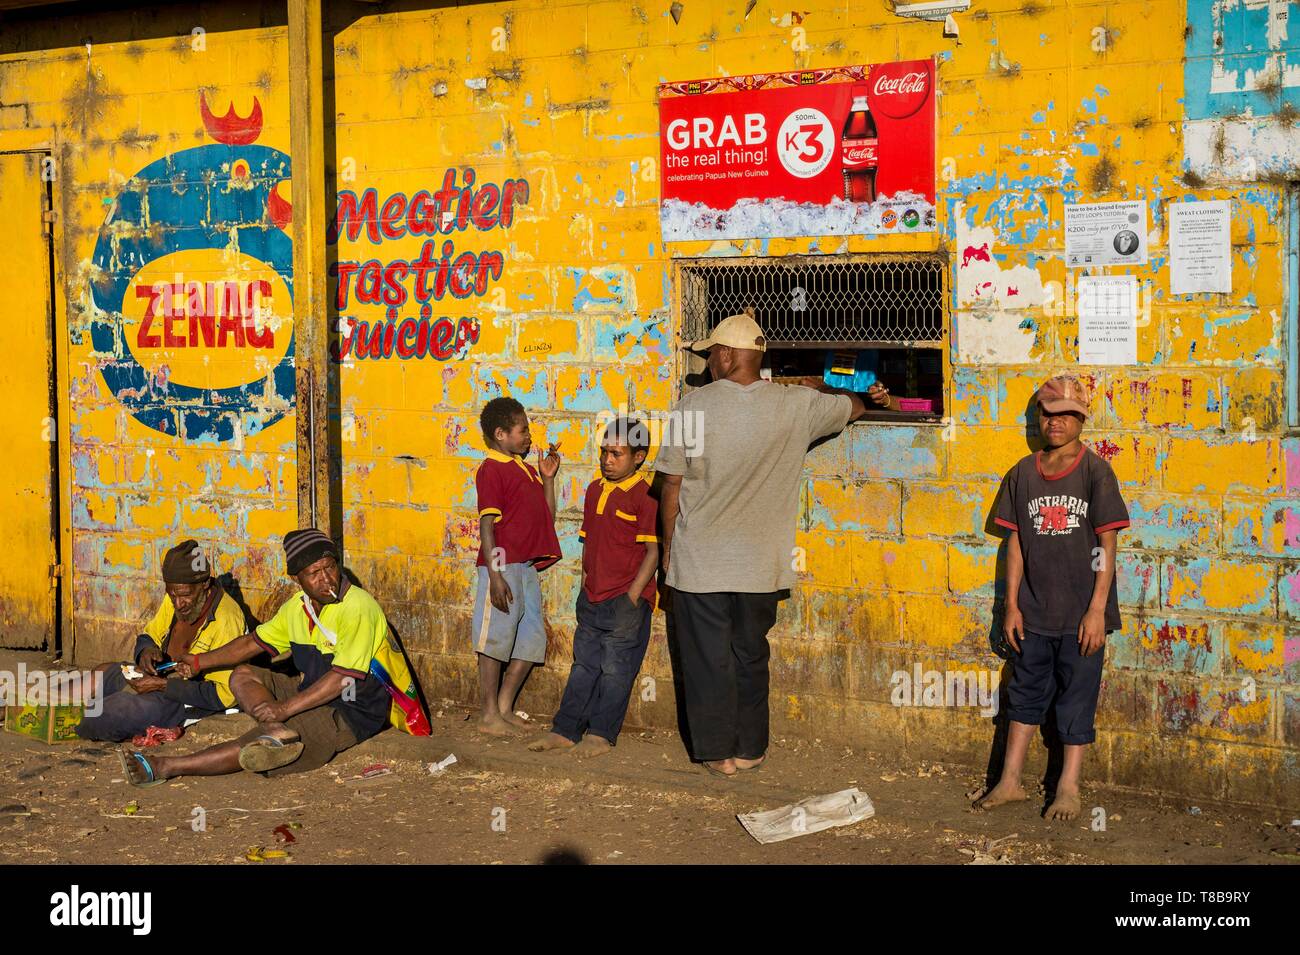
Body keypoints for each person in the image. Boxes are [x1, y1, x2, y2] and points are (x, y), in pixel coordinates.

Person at [655, 314, 871, 777]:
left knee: (707, 660)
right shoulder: (795, 406)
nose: (709, 362)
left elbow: (671, 487)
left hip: (701, 565)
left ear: (729, 355)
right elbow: (856, 406)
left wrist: (668, 556)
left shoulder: (690, 408)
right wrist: (824, 388)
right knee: (750, 655)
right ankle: (751, 748)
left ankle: (717, 753)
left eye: (711, 353)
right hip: (761, 567)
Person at [116, 529, 394, 786]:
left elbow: (342, 679)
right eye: (315, 573)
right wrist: (201, 661)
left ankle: (164, 766)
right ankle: (275, 728)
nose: (327, 579)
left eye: (330, 568)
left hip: (349, 711)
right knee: (243, 674)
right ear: (297, 579)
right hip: (311, 690)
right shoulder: (298, 609)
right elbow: (252, 643)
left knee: (257, 745)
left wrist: (285, 709)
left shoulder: (357, 607)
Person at [974, 375, 1130, 821]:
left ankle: (1068, 787)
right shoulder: (1022, 473)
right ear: (1038, 417)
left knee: (1076, 697)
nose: (1056, 422)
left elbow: (1106, 543)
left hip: (1083, 614)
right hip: (1035, 613)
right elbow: (1016, 544)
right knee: (1023, 693)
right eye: (1048, 412)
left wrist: (1098, 609)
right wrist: (1012, 605)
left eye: (1067, 414)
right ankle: (1009, 782)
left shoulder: (1095, 471)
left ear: (1082, 419)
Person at [530, 417, 659, 758]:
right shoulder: (595, 490)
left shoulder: (646, 496)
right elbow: (588, 541)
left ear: (639, 457)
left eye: (616, 453)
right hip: (592, 597)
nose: (607, 460)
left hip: (626, 602)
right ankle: (566, 730)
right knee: (583, 666)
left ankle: (601, 734)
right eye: (604, 452)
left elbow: (653, 551)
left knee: (616, 670)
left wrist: (633, 595)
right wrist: (586, 581)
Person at [76, 539, 244, 742]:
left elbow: (223, 695)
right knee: (101, 673)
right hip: (160, 676)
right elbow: (149, 635)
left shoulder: (227, 618)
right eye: (172, 595)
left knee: (107, 713)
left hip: (183, 698)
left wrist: (162, 685)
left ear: (204, 585)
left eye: (184, 596)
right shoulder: (175, 596)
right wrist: (146, 651)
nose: (178, 604)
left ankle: (83, 722)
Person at [472, 396, 562, 737]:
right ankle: (488, 713)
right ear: (500, 434)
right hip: (502, 567)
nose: (529, 436)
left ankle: (505, 707)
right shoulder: (491, 469)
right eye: (523, 430)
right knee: (495, 639)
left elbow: (547, 519)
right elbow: (487, 527)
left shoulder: (524, 469)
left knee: (530, 641)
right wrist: (495, 576)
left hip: (525, 569)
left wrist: (548, 478)